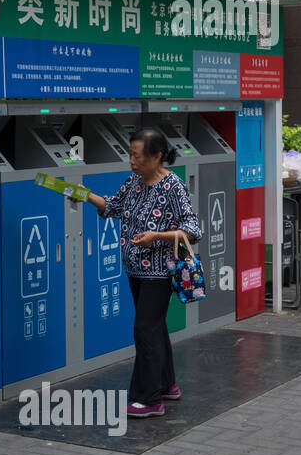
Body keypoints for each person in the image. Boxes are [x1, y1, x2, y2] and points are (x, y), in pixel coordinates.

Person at [69, 127, 202, 419]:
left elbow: (193, 230)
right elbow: (114, 206)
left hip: (159, 272)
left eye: (137, 156)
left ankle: (148, 398)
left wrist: (157, 236)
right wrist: (86, 195)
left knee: (144, 328)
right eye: (130, 154)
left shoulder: (174, 187)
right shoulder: (135, 181)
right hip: (135, 269)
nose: (131, 160)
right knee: (154, 327)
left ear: (157, 157)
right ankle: (167, 385)